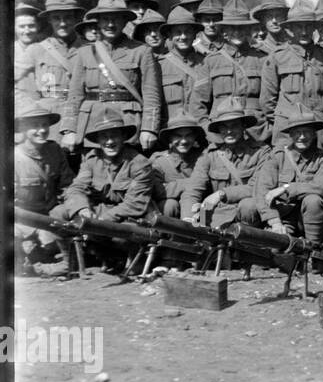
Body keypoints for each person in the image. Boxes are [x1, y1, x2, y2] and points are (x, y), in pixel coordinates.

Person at [62, 0, 163, 154]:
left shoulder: (141, 51)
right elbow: (75, 95)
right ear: (98, 22)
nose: (110, 24)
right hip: (92, 125)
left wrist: (149, 129)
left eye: (115, 18)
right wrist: (69, 130)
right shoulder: (84, 53)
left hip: (128, 125)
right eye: (105, 19)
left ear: (124, 21)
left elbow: (151, 95)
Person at [51, 109, 157, 242]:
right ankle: (71, 260)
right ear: (98, 140)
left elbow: (135, 204)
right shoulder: (92, 160)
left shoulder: (140, 163)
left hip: (128, 216)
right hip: (97, 211)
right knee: (58, 213)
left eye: (114, 135)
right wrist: (83, 210)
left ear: (124, 136)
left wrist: (100, 221)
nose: (109, 141)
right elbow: (76, 188)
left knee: (123, 236)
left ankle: (117, 259)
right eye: (104, 136)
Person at [260, 0, 323, 149]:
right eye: (298, 26)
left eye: (308, 26)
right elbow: (267, 103)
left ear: (315, 28)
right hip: (289, 130)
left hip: (321, 130)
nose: (304, 31)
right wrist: (285, 118)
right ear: (289, 28)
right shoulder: (277, 57)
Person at [181, 97, 269, 228]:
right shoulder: (210, 155)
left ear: (243, 126)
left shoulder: (261, 152)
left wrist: (222, 194)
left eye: (234, 126)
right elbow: (193, 189)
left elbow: (257, 188)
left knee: (248, 205)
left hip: (248, 217)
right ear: (218, 129)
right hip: (217, 216)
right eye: (224, 127)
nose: (229, 131)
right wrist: (188, 218)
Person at [252, 105, 323, 242]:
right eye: (297, 132)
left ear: (314, 133)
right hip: (284, 217)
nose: (302, 137)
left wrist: (286, 188)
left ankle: (314, 249)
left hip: (311, 220)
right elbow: (262, 190)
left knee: (313, 200)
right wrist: (275, 222)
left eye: (307, 131)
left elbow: (320, 187)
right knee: (276, 250)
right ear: (290, 134)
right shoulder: (278, 156)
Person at [194, 0, 269, 143]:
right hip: (221, 133)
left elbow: (273, 100)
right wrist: (209, 132)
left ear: (249, 29)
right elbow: (198, 104)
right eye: (232, 27)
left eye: (242, 27)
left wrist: (267, 130)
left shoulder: (263, 60)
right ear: (224, 31)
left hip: (256, 133)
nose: (237, 31)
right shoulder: (211, 61)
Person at [13, 99, 76, 271]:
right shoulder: (12, 158)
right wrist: (34, 231)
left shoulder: (55, 151)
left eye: (45, 125)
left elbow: (68, 186)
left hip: (50, 217)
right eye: (34, 126)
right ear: (23, 129)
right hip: (21, 220)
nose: (42, 130)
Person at [25, 0, 86, 134]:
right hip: (48, 122)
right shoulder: (35, 51)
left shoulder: (90, 50)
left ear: (76, 19)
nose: (63, 23)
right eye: (57, 18)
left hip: (81, 117)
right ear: (49, 20)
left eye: (68, 17)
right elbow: (27, 93)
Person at [157, 6, 210, 128]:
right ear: (170, 35)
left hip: (201, 130)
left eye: (187, 31)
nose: (183, 37)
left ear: (195, 35)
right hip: (171, 132)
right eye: (178, 32)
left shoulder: (206, 63)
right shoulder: (159, 65)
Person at [151, 114, 205, 217]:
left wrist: (171, 186)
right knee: (168, 205)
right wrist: (191, 183)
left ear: (195, 137)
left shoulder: (203, 157)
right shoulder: (160, 161)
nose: (184, 141)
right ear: (170, 138)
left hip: (199, 209)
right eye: (178, 136)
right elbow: (156, 191)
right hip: (173, 211)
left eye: (188, 135)